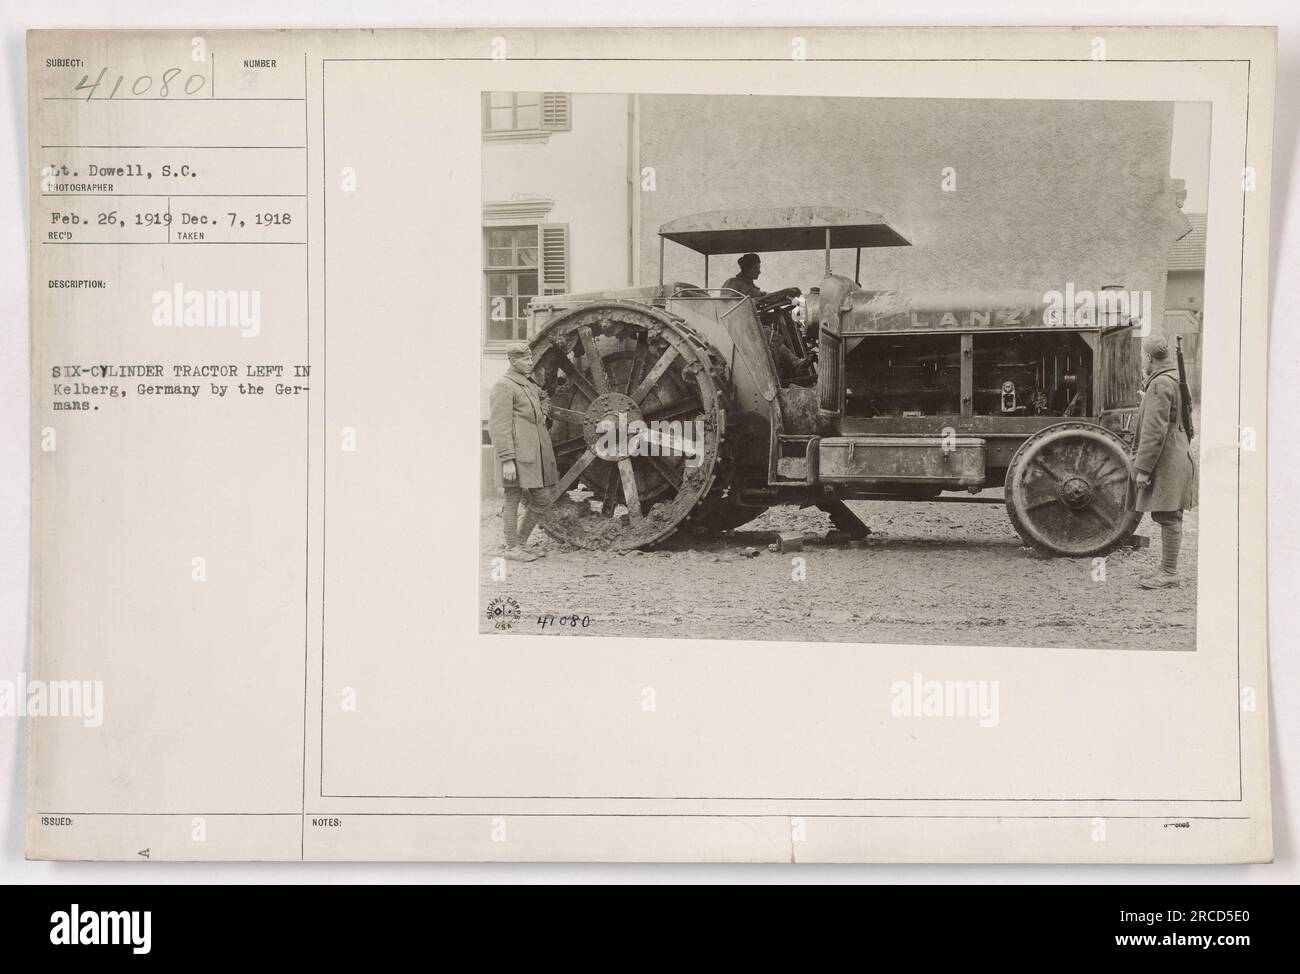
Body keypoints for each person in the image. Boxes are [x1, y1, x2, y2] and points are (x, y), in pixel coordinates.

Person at [1129, 334, 1198, 588]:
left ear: (1149, 357)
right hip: (1177, 452)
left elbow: (1154, 432)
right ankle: (1166, 570)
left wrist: (1143, 469)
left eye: (1142, 357)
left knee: (1169, 515)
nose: (1142, 362)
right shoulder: (1170, 380)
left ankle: (1169, 573)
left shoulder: (1159, 385)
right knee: (1167, 514)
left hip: (1168, 457)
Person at [488, 342, 558, 561]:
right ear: (512, 361)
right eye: (524, 359)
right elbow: (499, 427)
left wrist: (544, 414)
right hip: (515, 454)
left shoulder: (526, 384)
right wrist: (507, 460)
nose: (529, 363)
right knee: (512, 498)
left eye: (530, 359)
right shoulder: (504, 386)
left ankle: (520, 543)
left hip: (532, 453)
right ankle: (512, 548)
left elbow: (544, 396)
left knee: (542, 498)